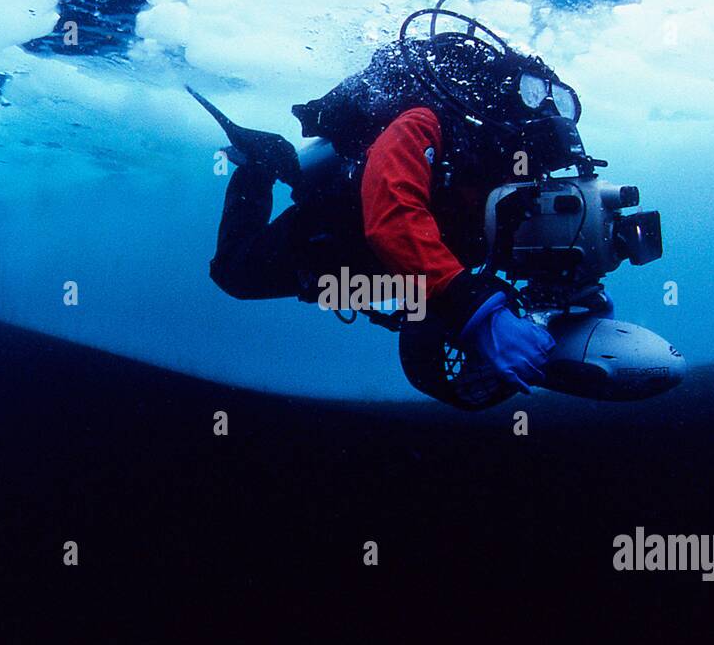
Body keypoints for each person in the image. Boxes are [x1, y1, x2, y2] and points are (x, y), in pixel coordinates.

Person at [201, 33, 563, 394]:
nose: (550, 112)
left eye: (560, 101)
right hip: (329, 237)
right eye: (533, 93)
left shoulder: (510, 168)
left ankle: (277, 165)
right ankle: (262, 163)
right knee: (233, 274)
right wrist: (474, 308)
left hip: (385, 273)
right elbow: (392, 214)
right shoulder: (425, 122)